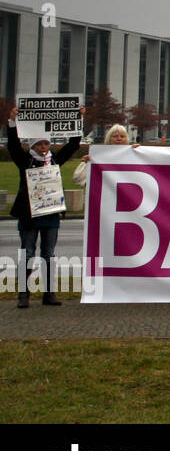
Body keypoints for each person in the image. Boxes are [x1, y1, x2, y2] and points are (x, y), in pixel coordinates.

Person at [7, 108, 85, 308]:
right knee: (28, 252)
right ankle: (23, 294)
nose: (43, 147)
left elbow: (73, 145)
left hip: (50, 214)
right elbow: (14, 146)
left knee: (49, 254)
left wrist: (78, 119)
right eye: (39, 144)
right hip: (29, 215)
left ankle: (49, 294)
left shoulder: (55, 161)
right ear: (33, 146)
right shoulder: (25, 161)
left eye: (46, 143)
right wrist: (12, 122)